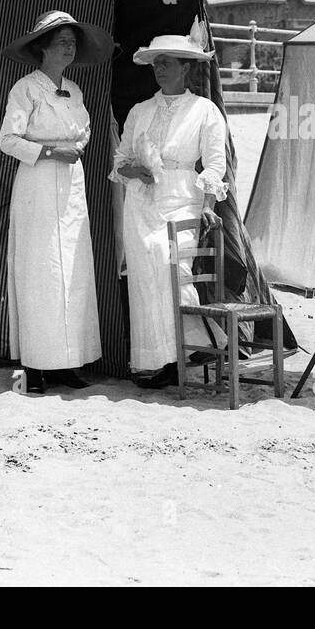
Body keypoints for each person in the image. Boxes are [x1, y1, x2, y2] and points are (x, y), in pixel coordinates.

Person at [0, 11, 113, 394]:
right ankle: (37, 366)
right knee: (41, 271)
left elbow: (86, 129)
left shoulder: (76, 91)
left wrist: (76, 146)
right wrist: (49, 152)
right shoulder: (25, 90)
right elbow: (8, 140)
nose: (68, 46)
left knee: (73, 269)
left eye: (71, 41)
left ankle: (66, 363)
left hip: (71, 184)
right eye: (61, 40)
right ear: (43, 47)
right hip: (38, 183)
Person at [111, 20, 227, 388]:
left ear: (186, 68)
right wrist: (136, 170)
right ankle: (160, 361)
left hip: (183, 199)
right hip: (142, 201)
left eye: (168, 63)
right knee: (146, 275)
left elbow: (214, 164)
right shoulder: (140, 111)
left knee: (171, 265)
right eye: (156, 63)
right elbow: (120, 160)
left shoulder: (205, 110)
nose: (159, 69)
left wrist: (208, 204)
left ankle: (195, 346)